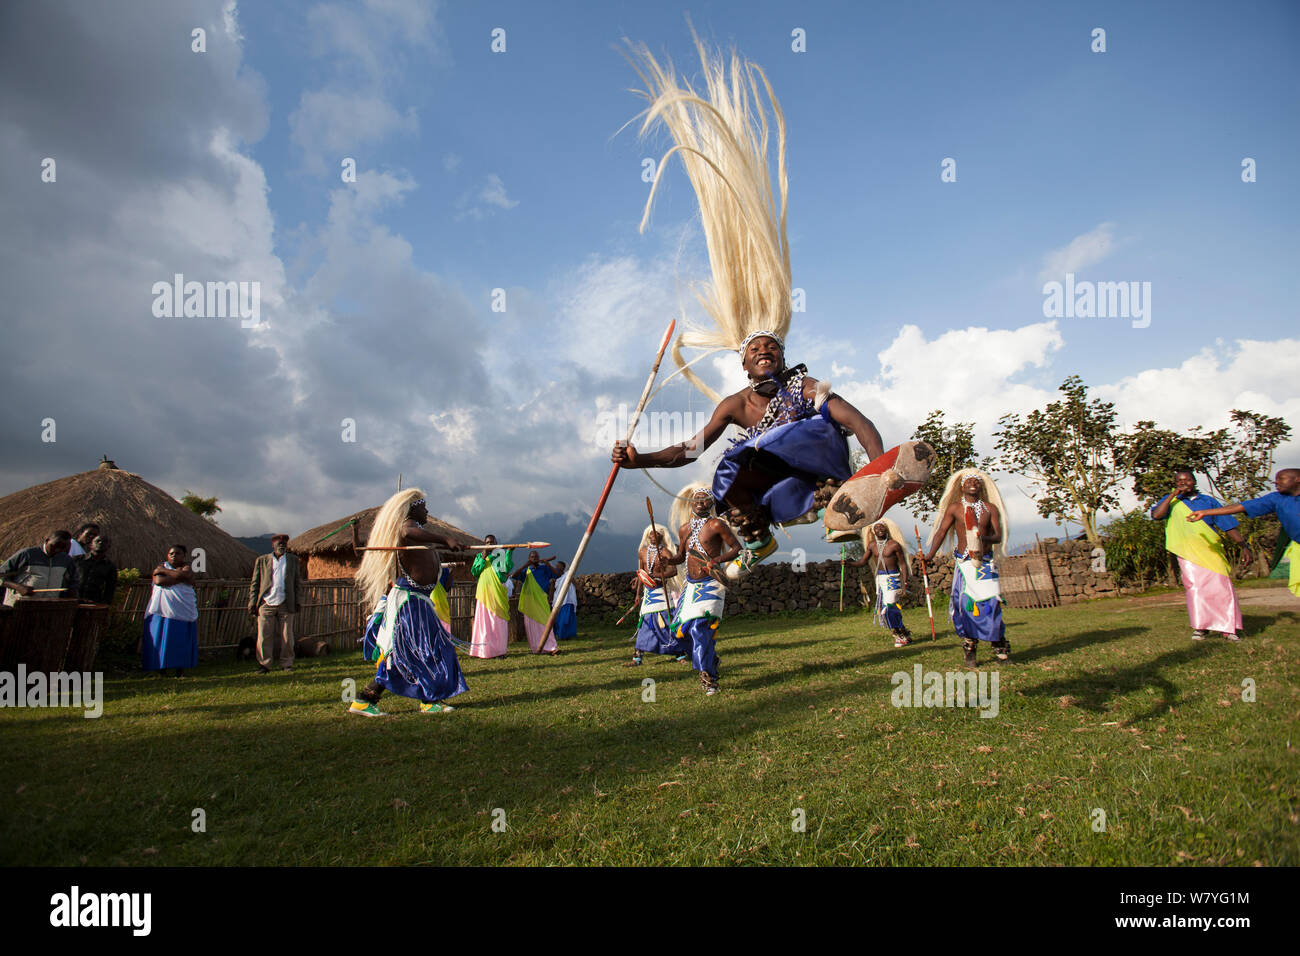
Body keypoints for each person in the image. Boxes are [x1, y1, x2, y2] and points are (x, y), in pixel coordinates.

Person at [611, 34, 932, 579]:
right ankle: (755, 533)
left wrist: (876, 474)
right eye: (755, 349)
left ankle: (843, 501)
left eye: (771, 348)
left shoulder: (806, 390)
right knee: (729, 471)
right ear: (742, 361)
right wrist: (637, 458)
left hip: (827, 466)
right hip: (781, 488)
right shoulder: (735, 405)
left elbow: (861, 423)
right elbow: (689, 449)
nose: (763, 353)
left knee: (783, 437)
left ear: (781, 354)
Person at [348, 489, 468, 717]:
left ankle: (366, 700)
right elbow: (407, 530)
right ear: (413, 508)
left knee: (411, 652)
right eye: (424, 507)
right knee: (425, 650)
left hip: (418, 601)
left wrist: (448, 546)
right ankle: (428, 700)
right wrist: (445, 538)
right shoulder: (408, 529)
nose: (427, 511)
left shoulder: (417, 534)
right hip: (410, 602)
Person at [1150, 469, 1250, 641]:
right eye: (1179, 481)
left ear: (1194, 481)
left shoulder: (1208, 501)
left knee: (1222, 588)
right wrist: (1173, 495)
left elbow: (1227, 524)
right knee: (1195, 588)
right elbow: (1157, 515)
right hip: (1187, 553)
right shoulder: (1171, 501)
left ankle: (1228, 628)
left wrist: (1243, 546)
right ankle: (1201, 626)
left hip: (1211, 550)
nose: (1183, 483)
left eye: (1187, 480)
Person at [923, 470, 1009, 667]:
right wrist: (929, 555)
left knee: (990, 604)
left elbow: (997, 536)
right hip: (965, 563)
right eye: (968, 481)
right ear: (961, 487)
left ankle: (999, 645)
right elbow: (941, 532)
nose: (972, 484)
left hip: (985, 564)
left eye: (976, 482)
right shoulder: (954, 509)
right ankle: (970, 646)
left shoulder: (990, 509)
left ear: (981, 487)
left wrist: (981, 539)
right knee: (965, 605)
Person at [670, 486, 741, 695]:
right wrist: (666, 559)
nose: (700, 504)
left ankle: (709, 679)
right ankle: (711, 660)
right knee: (681, 633)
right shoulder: (685, 529)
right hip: (691, 587)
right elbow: (680, 557)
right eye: (696, 500)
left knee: (700, 630)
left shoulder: (717, 524)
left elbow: (737, 548)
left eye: (705, 500)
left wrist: (716, 560)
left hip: (711, 585)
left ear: (711, 503)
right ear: (691, 503)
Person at [1188, 467, 1300, 598]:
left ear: (1297, 479)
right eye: (1275, 479)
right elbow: (1240, 507)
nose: (1276, 483)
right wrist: (1205, 512)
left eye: (1281, 479)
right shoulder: (1276, 499)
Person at [628, 524, 688, 666]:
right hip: (648, 594)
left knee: (667, 623)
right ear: (648, 537)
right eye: (651, 535)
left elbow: (673, 571)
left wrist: (656, 575)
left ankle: (679, 653)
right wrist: (638, 594)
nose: (653, 537)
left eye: (656, 535)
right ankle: (637, 657)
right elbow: (641, 573)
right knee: (645, 624)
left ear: (661, 537)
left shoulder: (665, 552)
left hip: (662, 592)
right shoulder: (642, 552)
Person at [850, 520, 912, 647]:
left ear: (886, 529)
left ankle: (899, 635)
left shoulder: (894, 545)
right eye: (877, 527)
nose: (880, 529)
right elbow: (862, 562)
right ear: (873, 531)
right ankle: (903, 633)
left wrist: (905, 582)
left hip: (892, 579)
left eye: (882, 527)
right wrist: (848, 563)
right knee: (887, 608)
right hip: (880, 579)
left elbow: (902, 564)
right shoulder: (872, 545)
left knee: (889, 608)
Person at [247, 534, 303, 672]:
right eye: (279, 544)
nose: (282, 546)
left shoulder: (293, 560)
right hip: (266, 602)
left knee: (287, 636)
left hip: (286, 602)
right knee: (264, 635)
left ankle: (287, 664)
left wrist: (297, 601)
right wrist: (253, 603)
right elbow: (255, 583)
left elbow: (297, 583)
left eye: (284, 544)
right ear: (273, 545)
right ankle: (264, 664)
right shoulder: (262, 561)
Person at [141, 544, 198, 677]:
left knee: (180, 641)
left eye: (177, 553)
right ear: (167, 555)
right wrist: (179, 576)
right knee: (161, 639)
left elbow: (186, 576)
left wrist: (166, 572)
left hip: (183, 611)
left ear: (184, 556)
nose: (174, 555)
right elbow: (159, 581)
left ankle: (180, 670)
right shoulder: (162, 567)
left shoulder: (181, 568)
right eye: (171, 553)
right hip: (162, 610)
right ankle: (162, 670)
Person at [1, 530, 79, 605]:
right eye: (55, 545)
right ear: (47, 540)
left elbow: (73, 582)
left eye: (63, 548)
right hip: (20, 603)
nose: (57, 550)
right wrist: (18, 587)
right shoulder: (27, 554)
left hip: (49, 606)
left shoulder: (66, 560)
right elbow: (1, 575)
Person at [469, 534, 513, 659]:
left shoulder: (500, 555)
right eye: (487, 542)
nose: (489, 545)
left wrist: (509, 552)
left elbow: (506, 570)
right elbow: (475, 572)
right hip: (484, 594)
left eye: (492, 542)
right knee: (484, 623)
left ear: (496, 543)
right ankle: (483, 650)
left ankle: (499, 650)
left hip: (497, 593)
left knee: (498, 622)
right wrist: (483, 556)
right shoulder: (479, 556)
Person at [512, 550, 560, 654]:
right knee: (532, 626)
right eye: (532, 557)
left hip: (542, 599)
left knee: (545, 623)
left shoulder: (544, 568)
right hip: (530, 602)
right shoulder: (526, 571)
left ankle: (552, 647)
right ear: (529, 558)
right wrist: (526, 564)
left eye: (536, 556)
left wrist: (548, 564)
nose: (534, 558)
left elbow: (557, 574)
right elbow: (514, 576)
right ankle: (537, 648)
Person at [75, 534, 118, 605]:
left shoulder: (110, 567)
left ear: (109, 546)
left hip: (94, 602)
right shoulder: (77, 560)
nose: (100, 543)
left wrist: (104, 604)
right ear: (91, 545)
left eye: (105, 542)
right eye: (97, 541)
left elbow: (110, 589)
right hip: (74, 600)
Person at [552, 560, 579, 640]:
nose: (557, 567)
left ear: (563, 568)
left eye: (559, 566)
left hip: (568, 600)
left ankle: (566, 635)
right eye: (556, 566)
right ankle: (560, 635)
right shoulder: (557, 579)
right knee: (558, 620)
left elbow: (576, 585)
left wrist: (582, 594)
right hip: (558, 602)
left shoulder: (568, 575)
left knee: (566, 619)